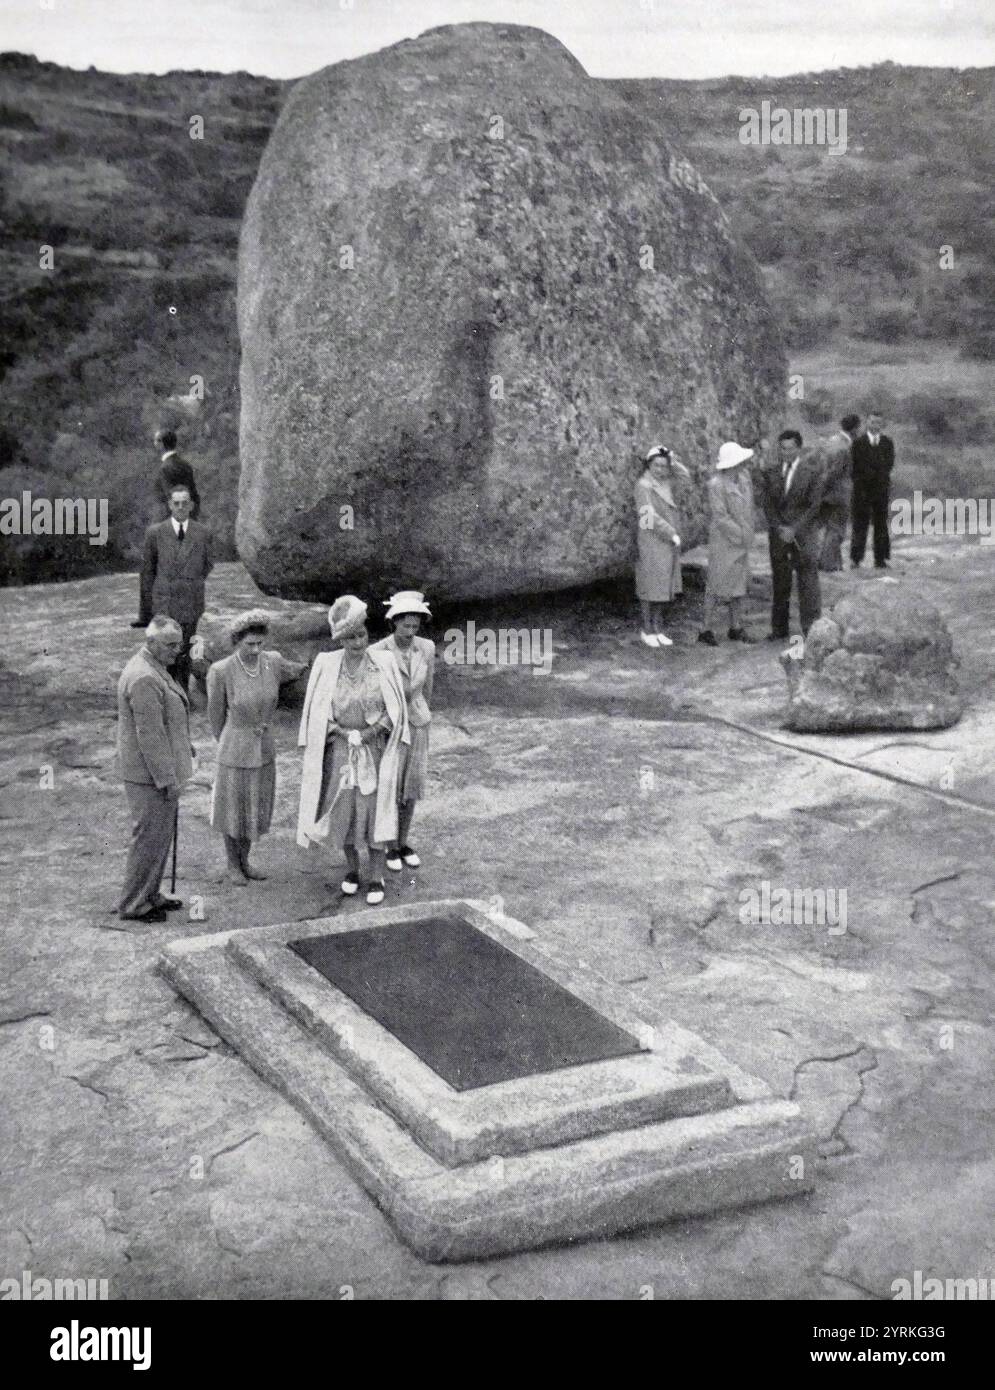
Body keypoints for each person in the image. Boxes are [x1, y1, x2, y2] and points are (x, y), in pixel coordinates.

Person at [296, 596, 409, 907]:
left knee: (373, 812)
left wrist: (371, 732)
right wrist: (344, 733)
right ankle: (352, 870)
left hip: (374, 749)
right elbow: (319, 712)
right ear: (340, 639)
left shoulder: (384, 663)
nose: (359, 641)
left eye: (362, 634)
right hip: (342, 750)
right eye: (351, 637)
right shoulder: (327, 665)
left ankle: (376, 876)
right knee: (342, 812)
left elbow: (395, 710)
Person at [206, 611, 307, 886]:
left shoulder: (272, 661)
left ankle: (246, 860)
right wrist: (230, 742)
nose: (255, 649)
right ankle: (232, 864)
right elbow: (215, 717)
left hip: (264, 746)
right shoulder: (221, 670)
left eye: (260, 643)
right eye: (249, 644)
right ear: (237, 641)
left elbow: (299, 669)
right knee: (233, 809)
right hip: (234, 748)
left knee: (256, 806)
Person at [116, 616, 193, 923]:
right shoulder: (144, 677)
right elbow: (149, 736)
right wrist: (167, 780)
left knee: (158, 837)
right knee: (148, 839)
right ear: (150, 643)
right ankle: (134, 905)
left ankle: (150, 895)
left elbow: (165, 721)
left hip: (154, 770)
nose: (178, 651)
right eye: (171, 645)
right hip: (150, 776)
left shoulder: (154, 666)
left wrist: (184, 746)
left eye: (180, 644)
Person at [371, 591, 435, 872]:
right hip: (390, 727)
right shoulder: (377, 651)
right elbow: (373, 694)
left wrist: (420, 714)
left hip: (418, 724)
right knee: (390, 788)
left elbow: (427, 687)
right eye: (405, 626)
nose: (410, 632)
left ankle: (403, 842)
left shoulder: (427, 648)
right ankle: (388, 846)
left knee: (410, 789)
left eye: (415, 626)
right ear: (393, 623)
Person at [138, 486, 213, 691]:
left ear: (191, 505)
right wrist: (148, 608)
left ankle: (182, 693)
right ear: (170, 505)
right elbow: (148, 571)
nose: (180, 507)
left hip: (191, 600)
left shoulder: (203, 533)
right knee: (164, 647)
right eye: (176, 503)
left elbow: (207, 565)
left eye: (184, 503)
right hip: (165, 601)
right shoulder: (156, 532)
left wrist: (189, 582)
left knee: (186, 648)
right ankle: (163, 691)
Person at [759, 429, 825, 640]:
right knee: (780, 581)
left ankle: (811, 629)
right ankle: (779, 629)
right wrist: (779, 527)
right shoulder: (771, 471)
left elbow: (814, 506)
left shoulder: (812, 472)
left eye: (789, 448)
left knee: (808, 581)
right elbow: (767, 503)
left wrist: (794, 529)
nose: (785, 453)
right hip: (778, 534)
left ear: (799, 448)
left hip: (803, 535)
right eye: (782, 448)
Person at [698, 441, 756, 646]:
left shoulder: (744, 479)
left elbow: (750, 507)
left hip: (741, 539)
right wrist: (741, 534)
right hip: (724, 541)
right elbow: (720, 517)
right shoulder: (716, 484)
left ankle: (735, 626)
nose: (744, 464)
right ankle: (705, 628)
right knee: (716, 584)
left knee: (739, 584)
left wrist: (748, 532)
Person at [634, 444, 690, 648]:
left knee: (663, 587)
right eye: (656, 465)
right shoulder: (643, 485)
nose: (660, 469)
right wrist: (671, 532)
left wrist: (674, 462)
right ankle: (646, 629)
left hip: (666, 542)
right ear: (649, 465)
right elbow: (647, 516)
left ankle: (658, 628)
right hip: (651, 540)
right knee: (650, 588)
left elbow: (685, 479)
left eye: (663, 466)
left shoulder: (666, 482)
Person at [850, 411, 895, 570]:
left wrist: (879, 479)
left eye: (878, 423)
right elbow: (854, 467)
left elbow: (889, 465)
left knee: (881, 525)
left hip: (881, 491)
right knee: (860, 525)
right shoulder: (858, 443)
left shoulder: (887, 443)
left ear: (882, 425)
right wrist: (864, 480)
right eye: (872, 422)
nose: (875, 425)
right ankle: (856, 559)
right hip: (862, 491)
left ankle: (880, 559)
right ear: (867, 423)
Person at [818, 414, 861, 572]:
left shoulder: (831, 442)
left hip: (827, 493)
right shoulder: (844, 447)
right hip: (839, 493)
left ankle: (834, 563)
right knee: (836, 530)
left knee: (830, 528)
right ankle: (828, 564)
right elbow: (835, 472)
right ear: (855, 428)